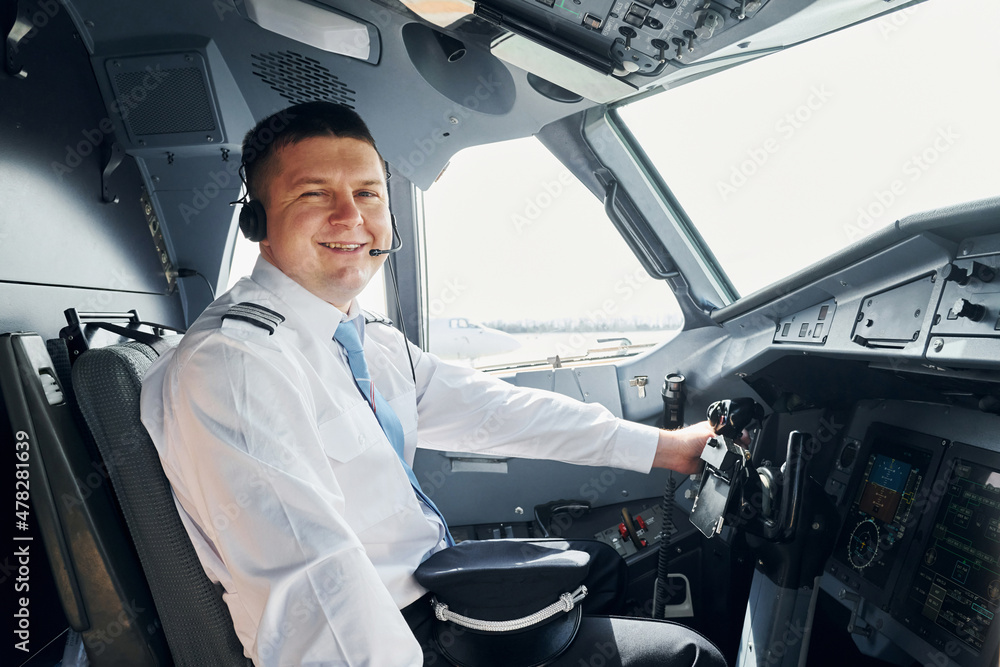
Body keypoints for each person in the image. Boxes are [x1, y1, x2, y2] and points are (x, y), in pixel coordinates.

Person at [140, 101, 726, 666]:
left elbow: (497, 411)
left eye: (367, 193)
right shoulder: (240, 364)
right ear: (258, 222)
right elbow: (311, 590)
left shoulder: (363, 337)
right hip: (391, 635)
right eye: (314, 194)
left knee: (600, 570)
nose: (351, 218)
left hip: (425, 595)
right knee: (691, 657)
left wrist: (668, 449)